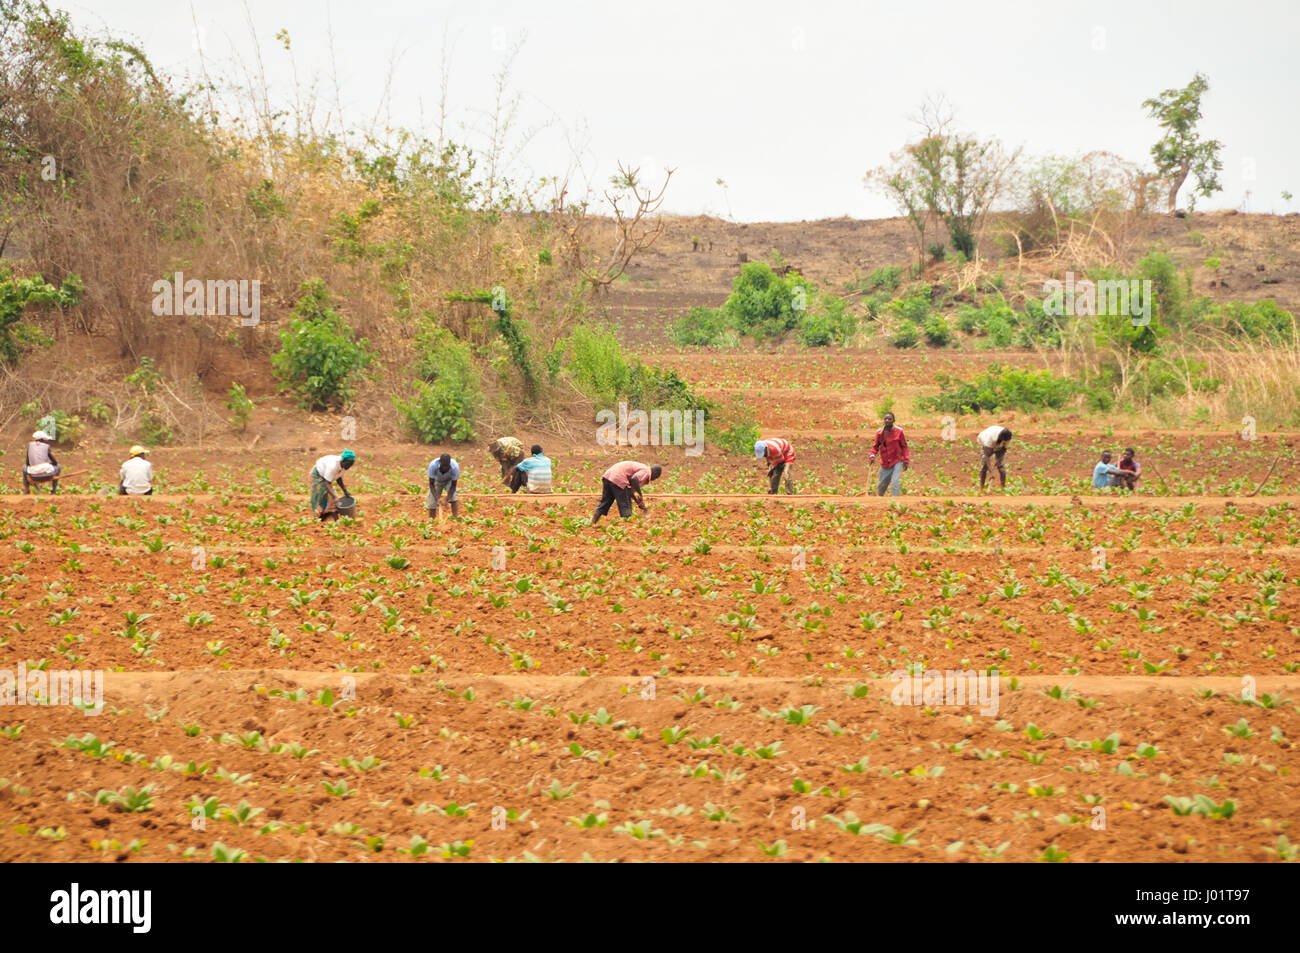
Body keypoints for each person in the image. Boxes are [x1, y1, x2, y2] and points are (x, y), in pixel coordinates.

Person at [592, 461, 661, 524]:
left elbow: (629, 491)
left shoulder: (641, 467)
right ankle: (627, 528)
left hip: (608, 476)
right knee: (626, 505)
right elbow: (634, 479)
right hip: (619, 478)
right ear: (655, 473)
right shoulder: (646, 471)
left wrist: (638, 502)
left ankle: (593, 523)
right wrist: (640, 494)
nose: (654, 480)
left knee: (605, 502)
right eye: (656, 478)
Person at [868, 412, 911, 496]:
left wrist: (906, 459)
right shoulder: (879, 433)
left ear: (893, 420)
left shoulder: (899, 431)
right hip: (885, 462)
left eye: (889, 419)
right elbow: (875, 446)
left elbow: (904, 446)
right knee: (881, 486)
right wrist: (872, 455)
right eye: (885, 419)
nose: (887, 421)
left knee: (895, 482)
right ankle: (880, 502)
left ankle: (895, 502)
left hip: (897, 460)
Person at [310, 449, 355, 521]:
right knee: (320, 493)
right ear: (343, 461)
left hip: (326, 478)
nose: (349, 466)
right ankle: (317, 517)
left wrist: (345, 491)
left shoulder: (344, 466)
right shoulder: (333, 466)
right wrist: (335, 497)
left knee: (331, 496)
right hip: (318, 474)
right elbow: (327, 482)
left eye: (351, 464)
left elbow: (339, 478)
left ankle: (330, 514)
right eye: (348, 464)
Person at [977, 426, 1014, 491]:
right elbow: (987, 456)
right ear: (1000, 437)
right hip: (986, 444)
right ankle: (981, 488)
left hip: (999, 447)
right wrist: (991, 471)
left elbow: (1003, 450)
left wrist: (998, 460)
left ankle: (1003, 488)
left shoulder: (1008, 438)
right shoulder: (990, 437)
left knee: (1001, 467)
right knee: (984, 467)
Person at [427, 453, 460, 520]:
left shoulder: (455, 467)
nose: (445, 468)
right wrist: (437, 498)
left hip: (449, 480)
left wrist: (447, 498)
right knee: (432, 502)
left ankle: (455, 518)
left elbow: (453, 485)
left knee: (453, 498)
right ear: (440, 463)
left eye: (447, 466)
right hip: (437, 480)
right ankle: (431, 521)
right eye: (443, 466)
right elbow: (431, 484)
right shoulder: (433, 465)